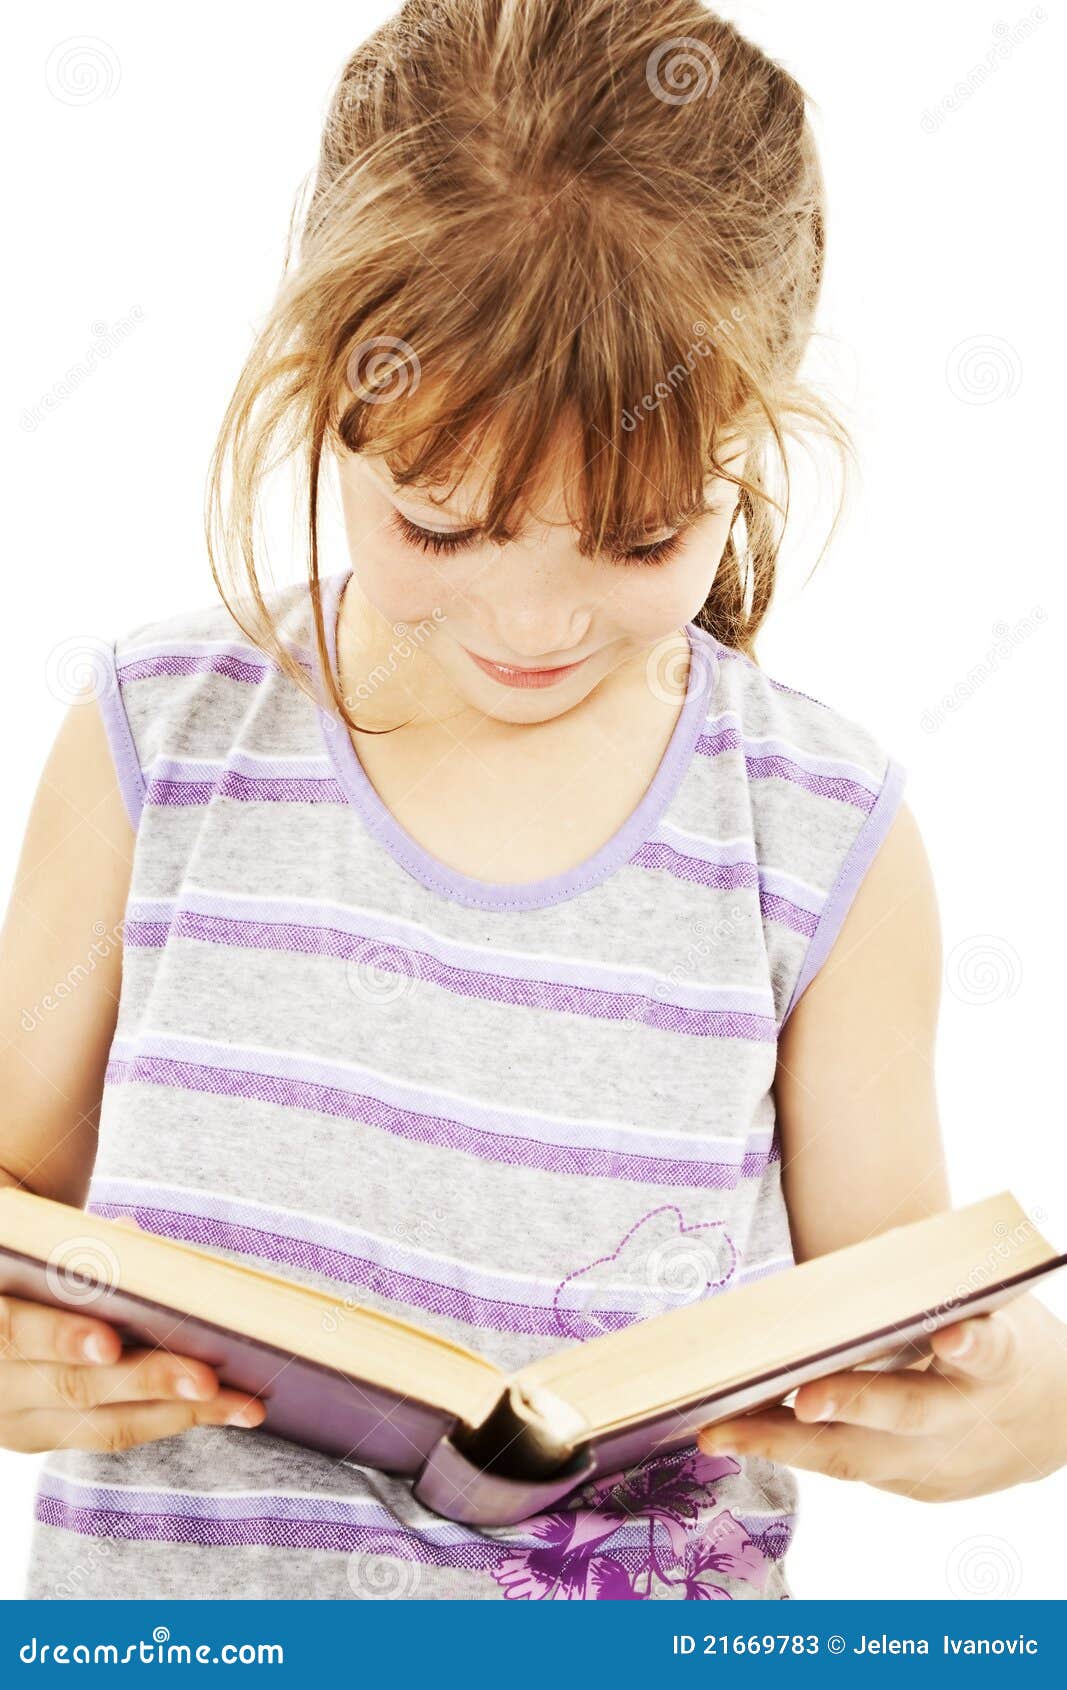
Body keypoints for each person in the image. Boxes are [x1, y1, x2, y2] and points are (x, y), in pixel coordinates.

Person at [5, 0, 1065, 1602]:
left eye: (639, 544)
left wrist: (1023, 1407)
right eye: (439, 523)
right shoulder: (164, 743)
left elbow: (912, 1333)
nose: (530, 623)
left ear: (753, 444)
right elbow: (18, 1209)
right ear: (324, 387)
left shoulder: (814, 828)